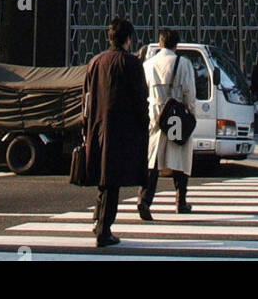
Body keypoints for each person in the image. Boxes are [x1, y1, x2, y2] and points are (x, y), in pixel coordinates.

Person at [82, 16, 149, 248]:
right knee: (112, 180)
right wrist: (144, 123)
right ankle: (104, 229)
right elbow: (141, 99)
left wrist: (85, 127)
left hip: (97, 127)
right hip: (121, 130)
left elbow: (86, 99)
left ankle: (98, 221)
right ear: (128, 39)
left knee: (104, 178)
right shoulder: (131, 63)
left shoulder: (95, 62)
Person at [137, 28, 197, 222]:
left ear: (160, 43)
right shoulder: (183, 63)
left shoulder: (148, 64)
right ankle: (181, 202)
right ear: (176, 45)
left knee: (152, 160)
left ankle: (145, 199)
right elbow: (190, 92)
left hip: (156, 114)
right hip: (177, 114)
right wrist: (191, 113)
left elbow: (142, 91)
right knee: (180, 153)